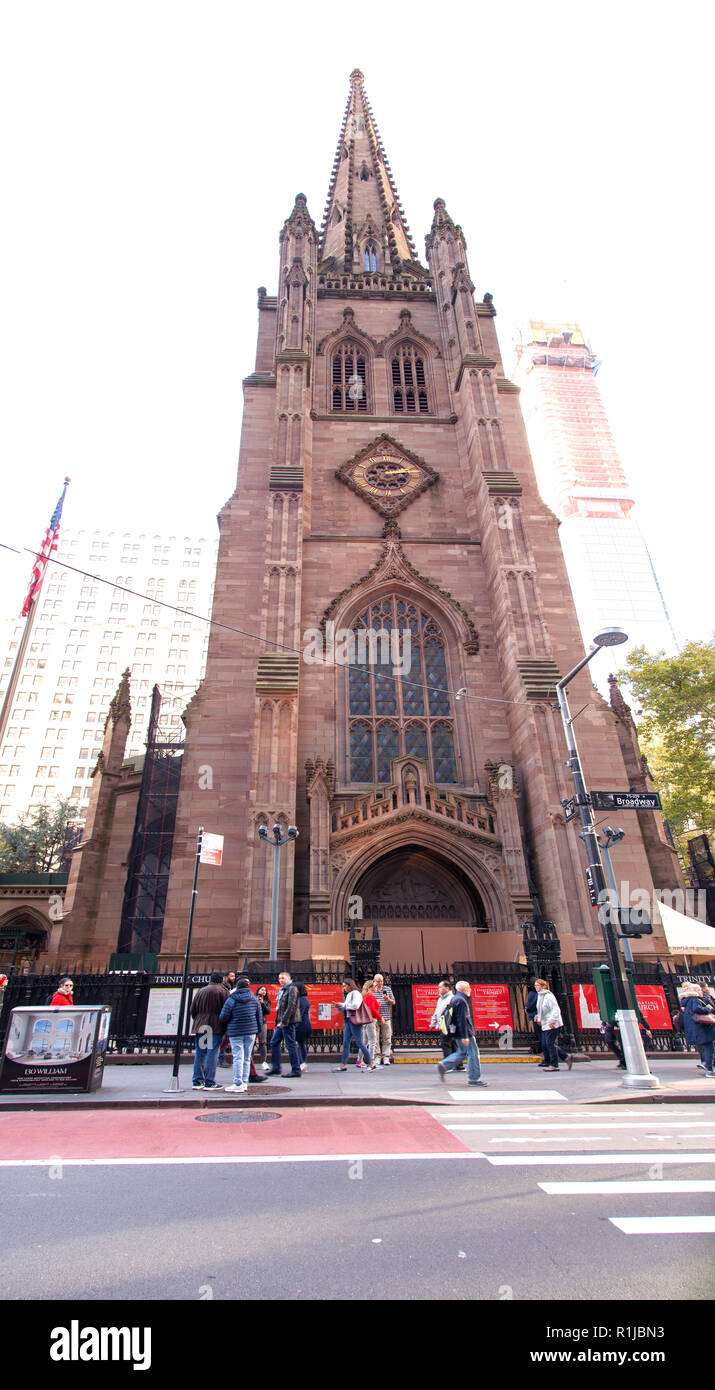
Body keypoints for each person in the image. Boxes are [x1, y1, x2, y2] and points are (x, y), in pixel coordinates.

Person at [436, 981, 486, 1086]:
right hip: (465, 1033)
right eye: (468, 988)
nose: (470, 990)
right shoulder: (461, 1001)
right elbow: (462, 1020)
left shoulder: (455, 999)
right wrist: (465, 1036)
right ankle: (474, 1078)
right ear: (464, 989)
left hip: (459, 1032)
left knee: (462, 1053)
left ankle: (444, 1065)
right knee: (473, 1054)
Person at [219, 976, 263, 1093]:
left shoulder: (231, 999)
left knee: (238, 1057)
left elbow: (223, 1017)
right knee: (247, 1058)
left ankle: (237, 1083)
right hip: (251, 1032)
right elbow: (259, 1017)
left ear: (237, 987)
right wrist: (258, 1031)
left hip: (236, 1031)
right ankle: (244, 1083)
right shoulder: (254, 999)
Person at [190, 971, 229, 1090]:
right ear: (221, 980)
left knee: (200, 1052)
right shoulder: (223, 991)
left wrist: (199, 1019)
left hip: (201, 1025)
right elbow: (226, 1009)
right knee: (212, 1052)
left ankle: (197, 1080)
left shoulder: (201, 990)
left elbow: (193, 1009)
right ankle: (209, 1081)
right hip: (215, 1025)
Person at [332, 978, 376, 1071]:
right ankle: (343, 1065)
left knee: (359, 1042)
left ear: (349, 985)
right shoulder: (349, 994)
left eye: (345, 986)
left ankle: (371, 1063)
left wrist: (343, 1005)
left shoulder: (356, 993)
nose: (344, 988)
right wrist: (340, 1005)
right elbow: (346, 1006)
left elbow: (355, 1005)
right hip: (349, 1019)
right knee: (346, 1042)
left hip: (354, 1020)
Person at [267, 971, 303, 1078]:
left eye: (283, 978)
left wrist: (284, 1021)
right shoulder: (284, 989)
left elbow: (291, 1006)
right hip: (282, 1021)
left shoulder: (292, 988)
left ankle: (296, 1069)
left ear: (288, 978)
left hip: (288, 1022)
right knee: (274, 1042)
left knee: (290, 1044)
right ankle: (276, 1068)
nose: (280, 980)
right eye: (279, 978)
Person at [534, 978, 573, 1072]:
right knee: (549, 1043)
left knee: (550, 1043)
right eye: (535, 985)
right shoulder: (541, 996)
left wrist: (552, 1020)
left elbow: (555, 1009)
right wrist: (538, 1017)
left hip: (551, 1024)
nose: (536, 987)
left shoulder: (548, 996)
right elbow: (542, 1010)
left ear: (543, 986)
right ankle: (566, 1057)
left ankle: (554, 1064)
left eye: (537, 985)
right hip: (546, 1023)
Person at [681, 983, 715, 1076]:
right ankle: (709, 1069)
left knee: (709, 1048)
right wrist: (708, 1009)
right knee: (709, 1048)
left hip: (697, 1028)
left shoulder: (687, 1001)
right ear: (695, 991)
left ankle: (709, 1067)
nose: (701, 991)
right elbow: (697, 1009)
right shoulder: (695, 999)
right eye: (699, 990)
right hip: (702, 1028)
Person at [430, 980, 463, 1069]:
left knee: (446, 1044)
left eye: (441, 987)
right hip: (444, 1025)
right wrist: (433, 1023)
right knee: (453, 1044)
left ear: (447, 988)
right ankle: (458, 1065)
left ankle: (448, 1065)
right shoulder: (440, 999)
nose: (439, 989)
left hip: (448, 1025)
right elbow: (437, 1012)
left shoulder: (452, 999)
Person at [371, 973, 396, 1065]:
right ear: (374, 981)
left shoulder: (387, 989)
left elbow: (393, 1002)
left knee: (387, 1037)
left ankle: (386, 1056)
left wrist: (388, 999)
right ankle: (377, 1056)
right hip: (375, 1017)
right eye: (378, 981)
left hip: (386, 1017)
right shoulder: (372, 990)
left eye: (381, 981)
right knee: (375, 1038)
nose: (380, 983)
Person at [218, 972, 236, 1068]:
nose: (233, 978)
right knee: (222, 1040)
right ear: (226, 977)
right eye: (231, 976)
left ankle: (220, 1058)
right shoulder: (223, 988)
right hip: (223, 1017)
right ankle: (220, 1059)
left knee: (225, 1040)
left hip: (228, 1017)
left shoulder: (230, 987)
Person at [295, 982, 312, 1071]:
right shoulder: (304, 998)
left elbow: (299, 1013)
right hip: (304, 1023)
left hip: (300, 1023)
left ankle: (301, 1062)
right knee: (301, 1043)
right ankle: (303, 1062)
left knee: (293, 1043)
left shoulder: (301, 999)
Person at [254, 984, 272, 1069]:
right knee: (252, 1042)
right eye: (261, 990)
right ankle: (250, 1060)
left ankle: (264, 1061)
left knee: (263, 1042)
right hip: (253, 1022)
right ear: (258, 991)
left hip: (263, 1022)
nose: (263, 991)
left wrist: (262, 1003)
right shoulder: (253, 999)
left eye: (264, 990)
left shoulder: (267, 1001)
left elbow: (268, 1011)